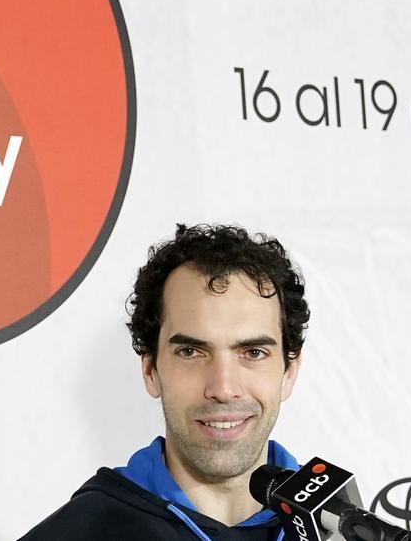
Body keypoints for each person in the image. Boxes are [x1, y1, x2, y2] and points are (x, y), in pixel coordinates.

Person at [20, 223, 310, 540]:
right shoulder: (78, 532)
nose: (224, 388)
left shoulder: (338, 525)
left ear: (289, 371)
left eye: (253, 353)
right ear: (151, 371)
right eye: (191, 352)